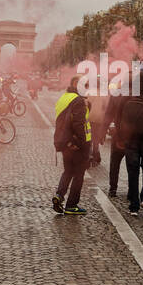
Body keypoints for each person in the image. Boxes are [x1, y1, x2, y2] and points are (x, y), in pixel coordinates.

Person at [108, 90, 143, 216]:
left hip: (130, 140)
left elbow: (118, 118)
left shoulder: (126, 97)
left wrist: (120, 136)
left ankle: (134, 205)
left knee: (132, 171)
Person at [52, 77, 91, 216]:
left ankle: (59, 195)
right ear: (76, 84)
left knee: (68, 171)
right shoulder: (78, 100)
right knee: (79, 175)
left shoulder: (64, 97)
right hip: (77, 144)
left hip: (64, 142)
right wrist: (80, 143)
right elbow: (79, 124)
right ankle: (71, 205)